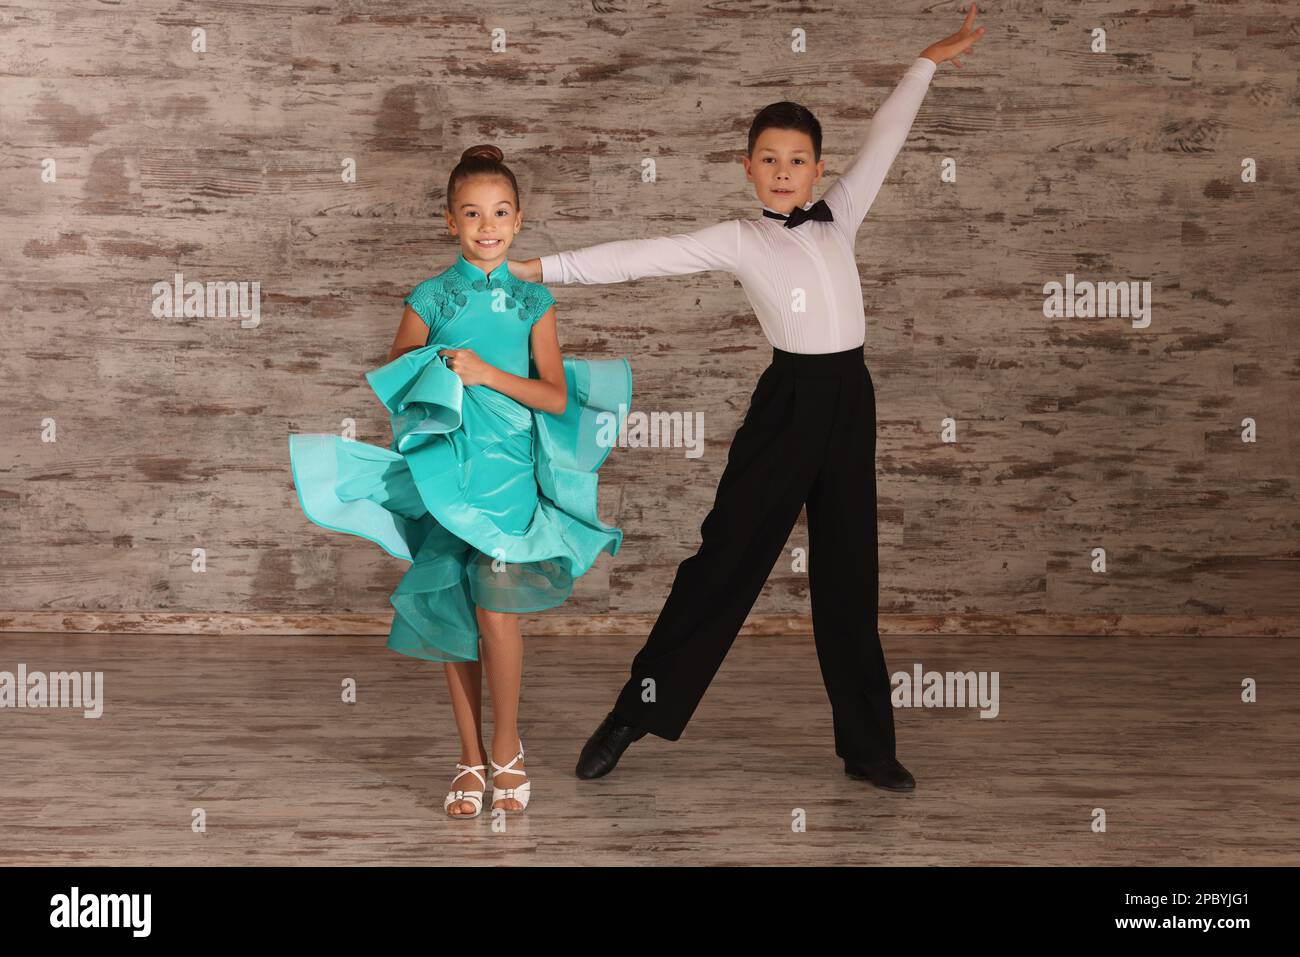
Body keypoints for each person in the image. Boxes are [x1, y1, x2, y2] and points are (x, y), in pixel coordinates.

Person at [509, 7, 986, 792]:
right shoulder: (739, 237)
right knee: (724, 562)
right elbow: (641, 258)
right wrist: (541, 267)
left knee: (849, 575)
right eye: (768, 158)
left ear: (815, 165)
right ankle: (634, 712)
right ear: (748, 167)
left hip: (849, 400)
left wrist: (926, 62)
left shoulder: (844, 212)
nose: (783, 170)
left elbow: (888, 137)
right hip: (789, 404)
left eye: (797, 159)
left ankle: (866, 747)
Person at [288, 144, 633, 817]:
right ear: (450, 221)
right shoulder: (431, 295)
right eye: (472, 213)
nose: (487, 225)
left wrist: (484, 373)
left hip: (509, 476)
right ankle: (469, 758)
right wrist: (438, 363)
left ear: (519, 218)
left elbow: (556, 397)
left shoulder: (535, 300)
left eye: (500, 212)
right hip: (448, 468)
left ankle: (507, 747)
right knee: (454, 611)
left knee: (496, 611)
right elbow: (394, 374)